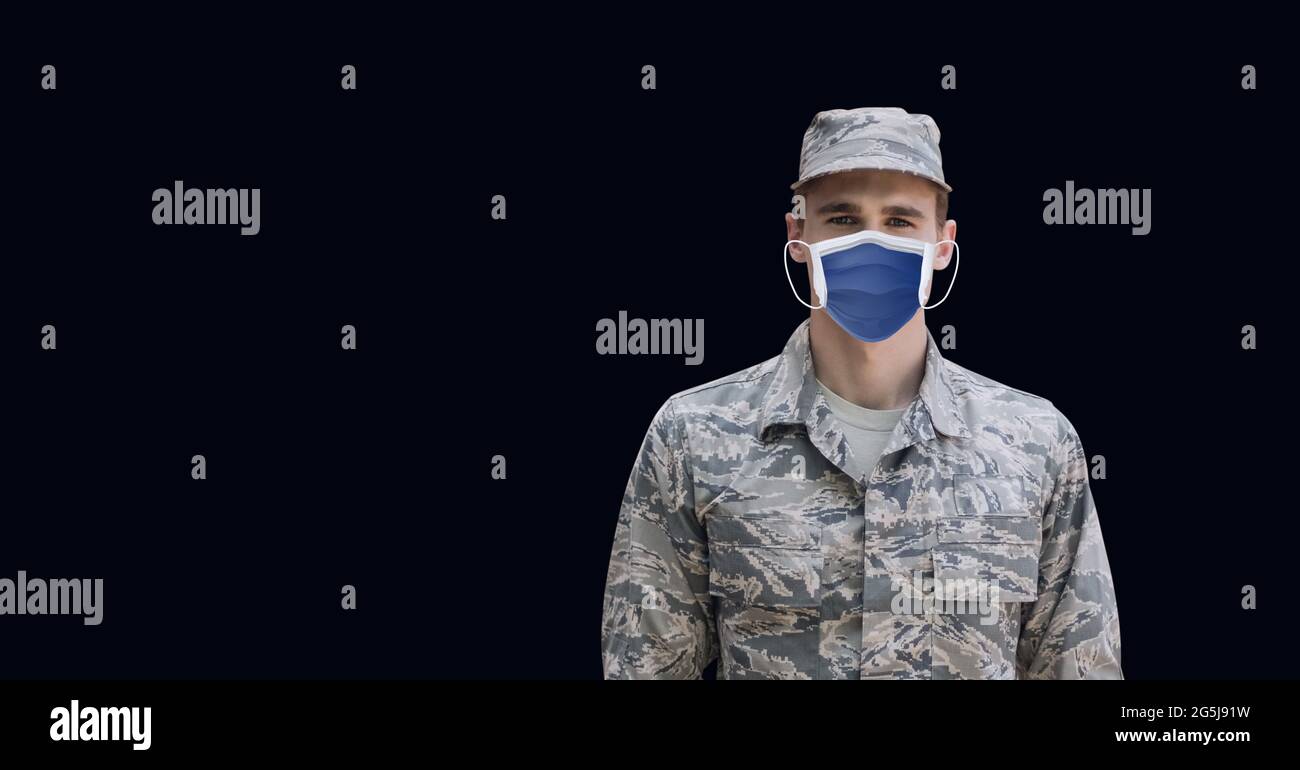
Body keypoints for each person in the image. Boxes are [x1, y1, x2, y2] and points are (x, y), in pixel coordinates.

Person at [600, 107, 1121, 679]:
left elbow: (1079, 667)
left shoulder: (1034, 443)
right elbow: (643, 667)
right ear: (798, 236)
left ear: (943, 245)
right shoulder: (693, 435)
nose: (871, 242)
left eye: (900, 221)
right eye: (843, 219)